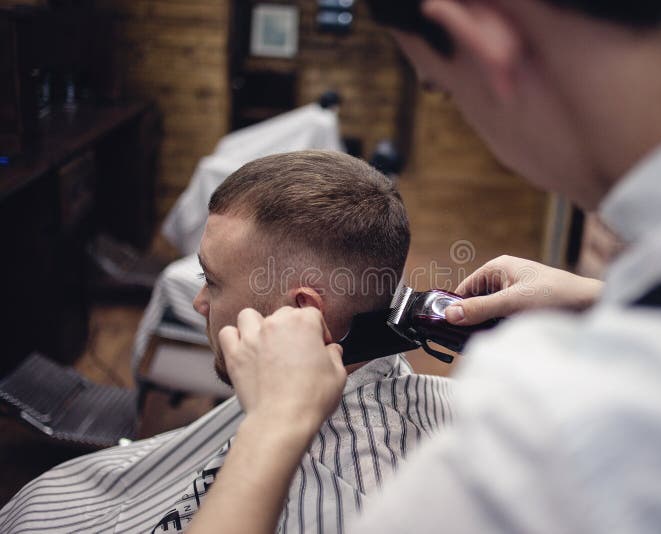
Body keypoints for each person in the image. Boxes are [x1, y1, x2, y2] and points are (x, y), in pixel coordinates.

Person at [187, 0, 661, 533]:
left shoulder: (551, 439)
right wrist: (600, 296)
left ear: (486, 40)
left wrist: (274, 426)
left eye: (444, 90)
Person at [0, 150, 455, 533]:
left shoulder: (341, 486)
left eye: (211, 281)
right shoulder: (380, 373)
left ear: (302, 314)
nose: (198, 301)